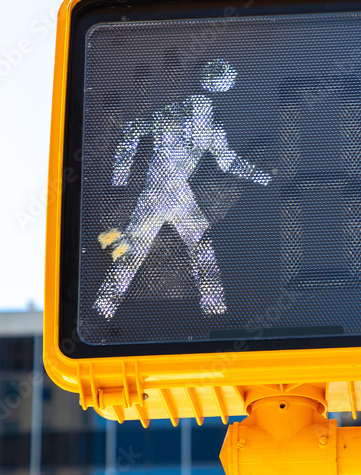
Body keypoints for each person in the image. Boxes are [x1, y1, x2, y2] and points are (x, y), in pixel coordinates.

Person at [94, 59, 271, 318]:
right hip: (158, 192)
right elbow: (130, 131)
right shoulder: (173, 113)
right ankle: (104, 308)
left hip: (177, 193)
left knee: (193, 248)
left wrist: (262, 177)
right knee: (145, 252)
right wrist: (119, 182)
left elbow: (226, 160)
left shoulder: (212, 121)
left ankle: (213, 310)